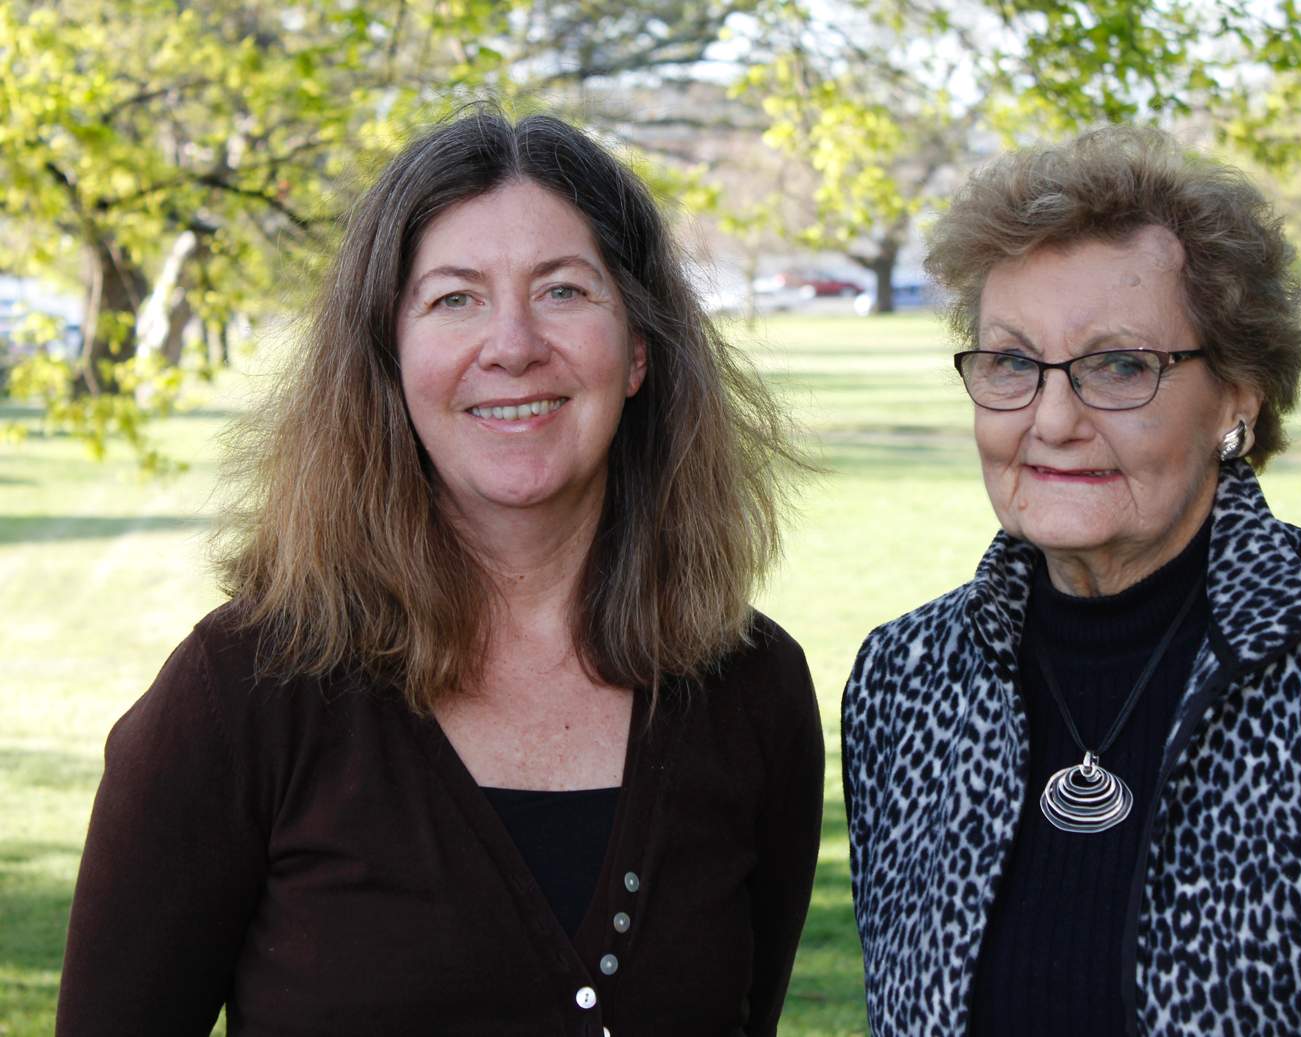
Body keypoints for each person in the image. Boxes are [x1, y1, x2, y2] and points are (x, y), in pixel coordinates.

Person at [58, 110, 824, 1036]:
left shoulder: (750, 688)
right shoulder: (242, 694)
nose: (511, 344)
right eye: (453, 298)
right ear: (391, 357)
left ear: (638, 351)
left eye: (564, 291)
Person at [842, 126, 1301, 1037]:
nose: (1051, 419)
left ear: (1238, 396)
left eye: (1119, 366)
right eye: (1013, 362)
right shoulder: (904, 681)